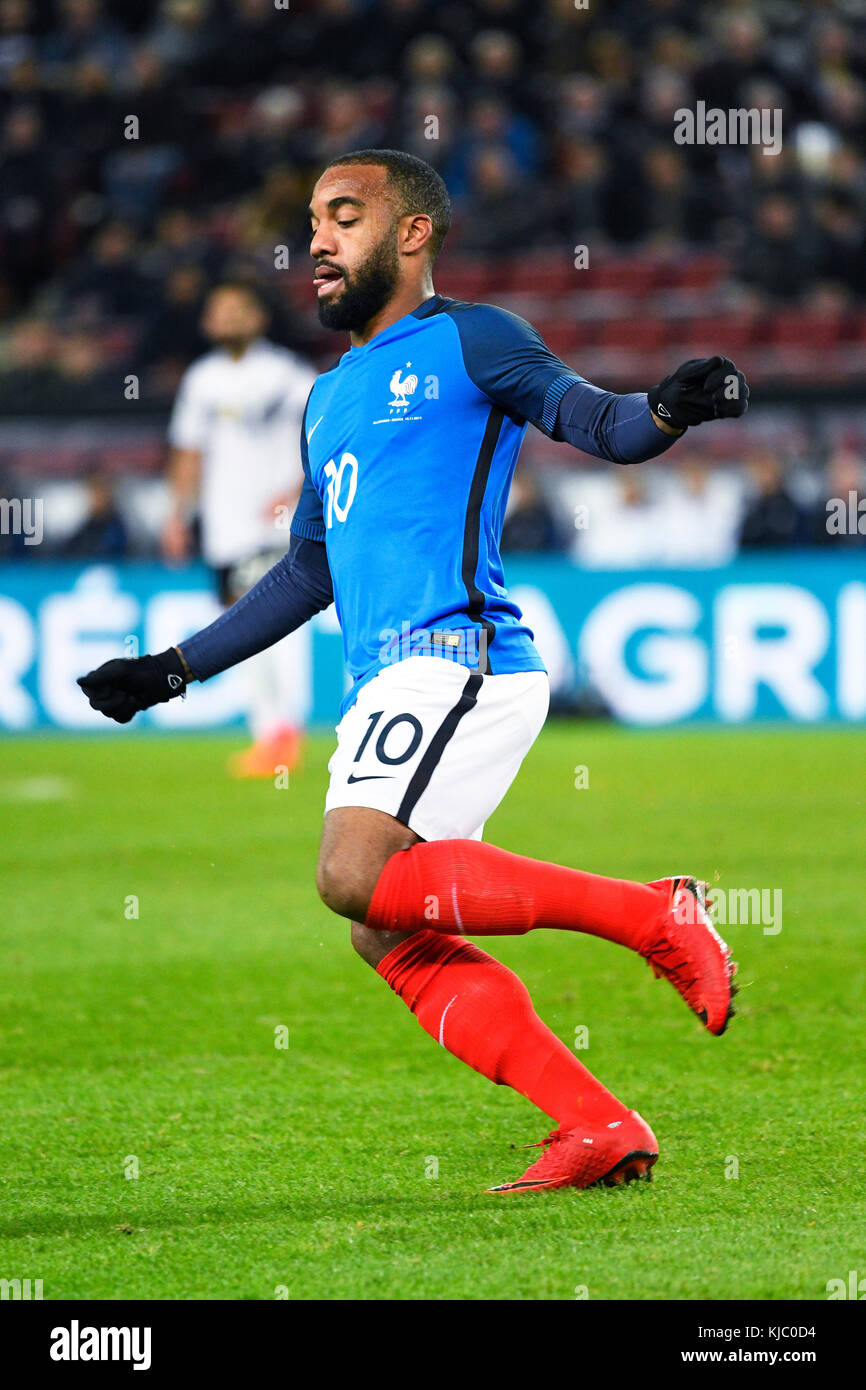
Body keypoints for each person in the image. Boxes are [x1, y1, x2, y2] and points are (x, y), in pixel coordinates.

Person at [79, 149, 749, 1194]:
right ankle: (597, 1124)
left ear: (412, 232)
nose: (316, 242)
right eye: (312, 221)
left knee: (349, 873)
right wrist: (172, 669)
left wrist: (665, 409)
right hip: (387, 681)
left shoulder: (474, 339)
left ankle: (653, 914)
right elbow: (308, 570)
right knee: (380, 928)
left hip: (459, 658)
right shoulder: (324, 398)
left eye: (343, 216)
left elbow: (597, 422)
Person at [162, 280, 316, 775]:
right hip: (224, 529)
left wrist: (295, 492)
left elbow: (322, 439)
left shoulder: (290, 375)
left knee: (271, 626)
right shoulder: (201, 380)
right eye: (219, 310)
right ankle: (271, 734)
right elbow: (188, 451)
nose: (227, 318)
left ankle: (282, 732)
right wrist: (178, 515)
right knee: (240, 628)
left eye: (238, 309)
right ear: (207, 322)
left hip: (275, 527)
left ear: (258, 318)